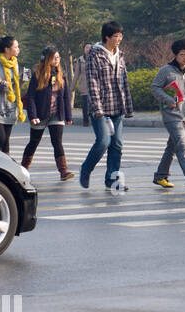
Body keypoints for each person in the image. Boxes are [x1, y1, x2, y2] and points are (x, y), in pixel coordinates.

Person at [79, 21, 134, 190]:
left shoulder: (120, 55)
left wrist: (128, 107)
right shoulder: (95, 55)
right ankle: (86, 169)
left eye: (121, 35)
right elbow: (92, 83)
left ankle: (112, 180)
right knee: (103, 142)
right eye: (116, 36)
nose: (119, 39)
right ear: (107, 37)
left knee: (117, 144)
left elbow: (124, 81)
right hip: (100, 107)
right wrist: (96, 109)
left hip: (117, 106)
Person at [151, 39, 185, 196]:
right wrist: (168, 100)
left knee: (172, 146)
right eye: (181, 55)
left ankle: (160, 175)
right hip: (171, 115)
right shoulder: (166, 71)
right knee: (182, 146)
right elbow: (155, 87)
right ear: (175, 55)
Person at [21, 46, 74, 179]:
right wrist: (32, 115)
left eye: (58, 58)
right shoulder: (37, 75)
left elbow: (66, 96)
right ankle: (22, 170)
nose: (57, 60)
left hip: (57, 114)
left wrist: (68, 115)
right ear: (47, 59)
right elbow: (31, 96)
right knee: (34, 142)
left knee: (57, 142)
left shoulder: (61, 74)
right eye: (54, 58)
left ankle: (64, 171)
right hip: (40, 114)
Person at [73, 43, 93, 126]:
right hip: (83, 85)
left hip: (93, 85)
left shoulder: (95, 58)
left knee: (93, 104)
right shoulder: (80, 60)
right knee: (85, 105)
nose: (88, 49)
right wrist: (72, 87)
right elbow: (76, 74)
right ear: (84, 49)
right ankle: (86, 120)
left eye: (90, 47)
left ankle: (93, 119)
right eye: (86, 47)